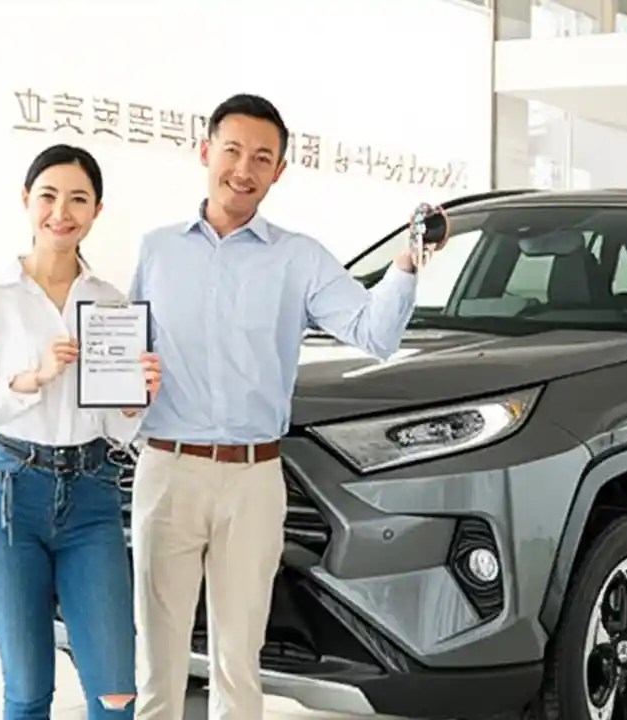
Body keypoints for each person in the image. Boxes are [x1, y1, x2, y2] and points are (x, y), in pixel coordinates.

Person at [127, 93, 431, 719]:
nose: (244, 168)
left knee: (240, 663)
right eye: (232, 150)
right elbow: (126, 354)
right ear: (205, 150)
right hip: (166, 469)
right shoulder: (157, 250)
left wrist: (406, 262)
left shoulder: (299, 258)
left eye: (261, 158)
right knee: (158, 660)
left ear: (279, 171)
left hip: (254, 478)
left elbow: (375, 334)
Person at [0, 143, 163, 720]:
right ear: (27, 200)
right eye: (48, 196)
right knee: (27, 691)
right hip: (11, 499)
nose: (60, 212)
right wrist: (32, 378)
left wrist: (139, 397)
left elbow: (119, 428)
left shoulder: (112, 303)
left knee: (116, 694)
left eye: (78, 199)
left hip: (93, 496)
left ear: (96, 210)